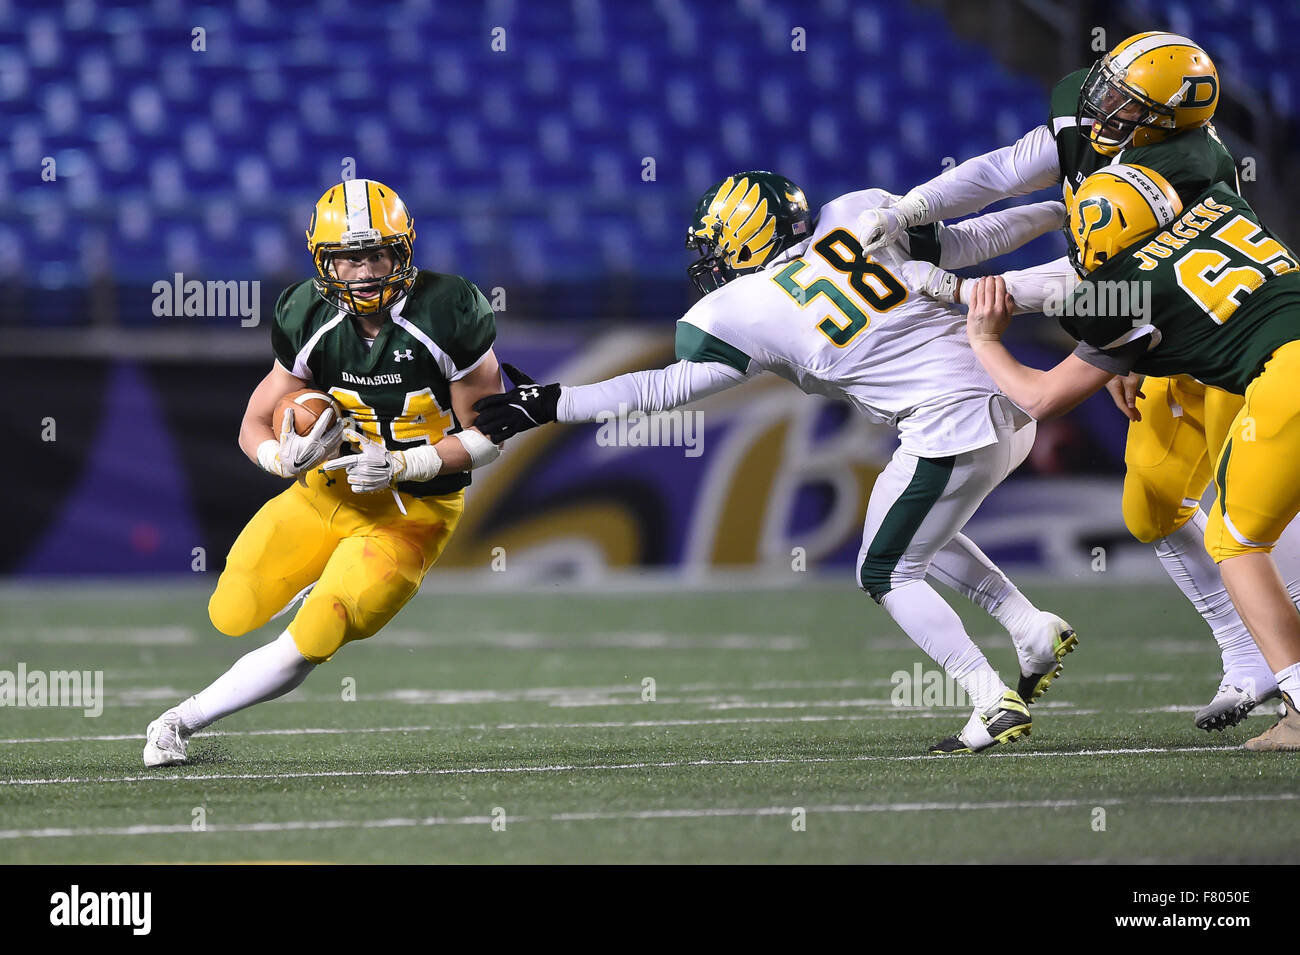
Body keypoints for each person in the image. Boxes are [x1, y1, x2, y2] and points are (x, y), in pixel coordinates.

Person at [475, 170, 1076, 755]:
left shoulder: (740, 306)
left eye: (716, 245)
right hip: (1007, 396)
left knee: (885, 570)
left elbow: (659, 389)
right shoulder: (853, 215)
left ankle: (990, 697)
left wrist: (555, 401)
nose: (711, 261)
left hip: (950, 424)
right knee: (918, 534)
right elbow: (975, 239)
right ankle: (1029, 628)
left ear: (747, 237)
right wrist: (1058, 211)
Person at [863, 31, 1283, 730]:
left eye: (1126, 99)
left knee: (1253, 525)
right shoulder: (1092, 126)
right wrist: (911, 209)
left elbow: (1104, 284)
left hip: (1221, 345)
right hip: (1160, 335)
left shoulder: (1188, 172)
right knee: (1152, 507)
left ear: (1167, 121)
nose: (1102, 105)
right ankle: (1246, 658)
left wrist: (970, 297)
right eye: (1108, 86)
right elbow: (1002, 172)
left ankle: (1291, 677)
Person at [143, 178, 503, 767]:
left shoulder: (449, 312)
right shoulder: (305, 313)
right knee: (231, 610)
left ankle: (179, 721)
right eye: (347, 257)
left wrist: (406, 464)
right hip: (323, 495)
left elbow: (489, 433)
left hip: (413, 514)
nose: (362, 272)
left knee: (317, 631)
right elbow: (253, 424)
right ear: (323, 261)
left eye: (376, 254)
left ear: (402, 252)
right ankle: (318, 571)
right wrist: (280, 458)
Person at [962, 163, 1300, 751]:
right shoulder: (1222, 205)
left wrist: (985, 341)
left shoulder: (1123, 291)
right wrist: (1135, 357)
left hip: (1287, 379)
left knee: (1236, 543)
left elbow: (1042, 398)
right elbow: (1200, 305)